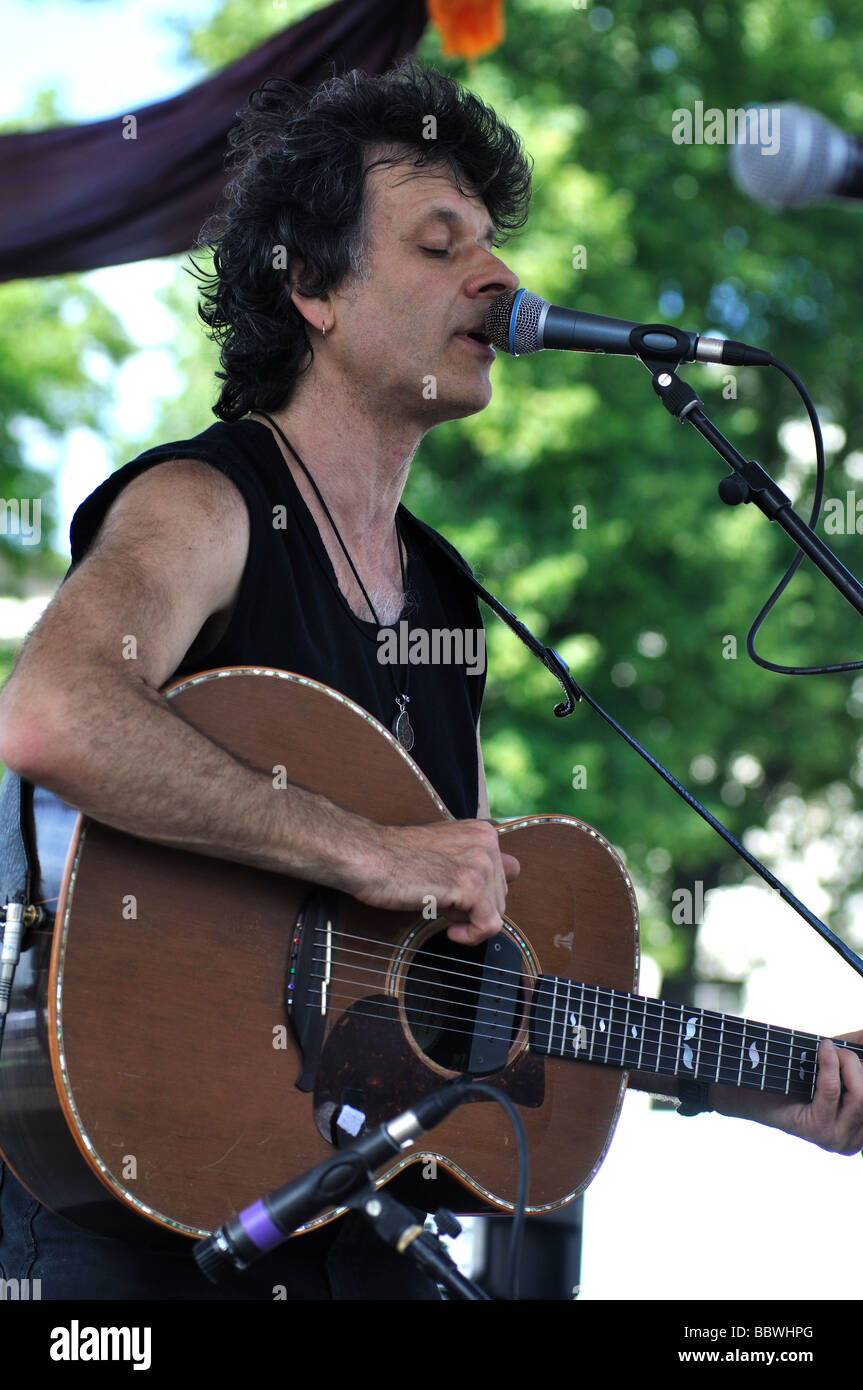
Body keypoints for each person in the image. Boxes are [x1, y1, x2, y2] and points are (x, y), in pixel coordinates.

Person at [0, 62, 860, 1302]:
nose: (499, 279)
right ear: (310, 286)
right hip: (120, 1235)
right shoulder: (207, 501)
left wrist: (765, 1080)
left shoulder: (445, 594)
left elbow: (449, 981)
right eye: (438, 244)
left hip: (342, 1228)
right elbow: (54, 712)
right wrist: (371, 852)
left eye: (493, 245)